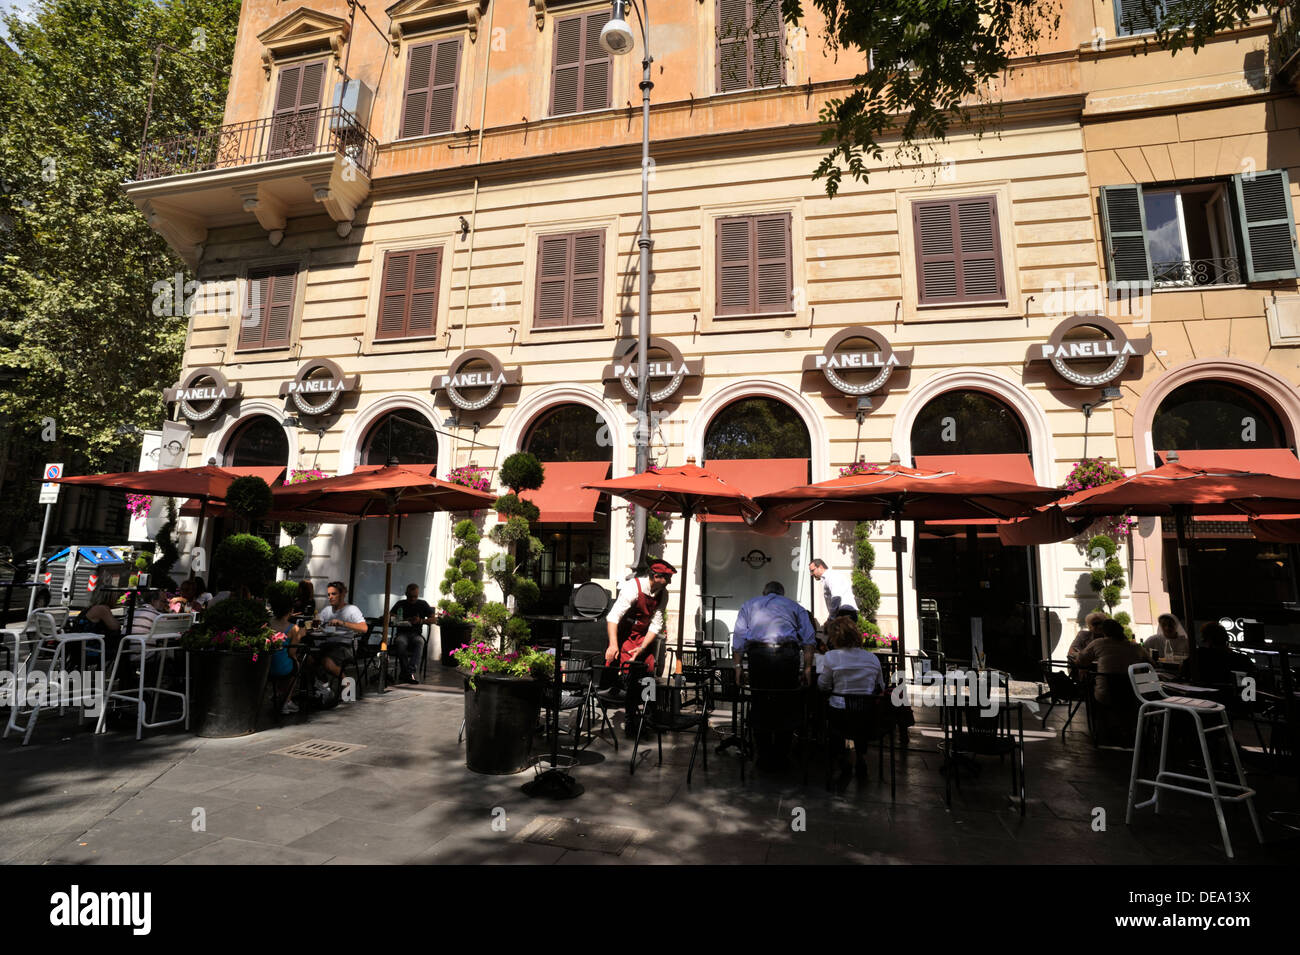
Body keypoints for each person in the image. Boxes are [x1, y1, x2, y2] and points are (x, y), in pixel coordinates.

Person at [732, 580, 816, 770]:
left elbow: (738, 639)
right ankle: (781, 754)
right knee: (786, 703)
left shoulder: (749, 605)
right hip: (787, 656)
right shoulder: (795, 607)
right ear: (782, 593)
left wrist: (738, 667)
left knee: (760, 700)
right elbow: (809, 640)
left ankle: (763, 754)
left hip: (759, 656)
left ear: (764, 592)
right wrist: (808, 668)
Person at [605, 560, 674, 734]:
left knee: (649, 674)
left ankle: (649, 717)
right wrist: (613, 645)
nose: (669, 582)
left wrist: (643, 647)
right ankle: (631, 719)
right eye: (667, 578)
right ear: (656, 576)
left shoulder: (662, 594)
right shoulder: (632, 588)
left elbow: (656, 624)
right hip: (626, 636)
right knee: (631, 677)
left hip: (644, 638)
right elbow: (613, 617)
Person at [818, 616, 885, 779]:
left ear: (834, 637)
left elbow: (822, 686)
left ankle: (840, 756)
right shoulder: (872, 658)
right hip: (867, 716)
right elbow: (881, 687)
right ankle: (861, 756)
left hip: (840, 715)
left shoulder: (831, 657)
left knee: (826, 711)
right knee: (859, 717)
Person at [314, 581, 368, 702]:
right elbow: (317, 624)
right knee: (308, 659)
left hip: (346, 646)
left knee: (326, 662)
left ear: (343, 594)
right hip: (327, 644)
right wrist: (314, 624)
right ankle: (324, 690)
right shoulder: (327, 610)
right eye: (328, 594)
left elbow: (364, 628)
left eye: (334, 594)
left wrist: (342, 623)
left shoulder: (352, 609)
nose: (330, 597)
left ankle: (347, 683)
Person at [1076, 618, 1151, 705]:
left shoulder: (1098, 643)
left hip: (1106, 695)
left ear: (1104, 632)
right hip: (1134, 694)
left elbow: (1080, 661)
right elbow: (1151, 664)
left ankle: (1096, 716)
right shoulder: (1136, 646)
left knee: (1088, 681)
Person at [267, 586, 306, 714]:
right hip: (281, 668)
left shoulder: (268, 623)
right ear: (290, 610)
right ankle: (286, 701)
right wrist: (301, 634)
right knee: (296, 664)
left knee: (282, 660)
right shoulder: (293, 628)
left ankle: (278, 693)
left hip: (266, 665)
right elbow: (292, 652)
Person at [1181, 622, 1255, 687]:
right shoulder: (1242, 659)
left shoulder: (1199, 655)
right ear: (1226, 637)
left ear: (1207, 639)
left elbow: (1184, 670)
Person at [389, 582, 432, 684]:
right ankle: (407, 673)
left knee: (420, 642)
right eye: (410, 596)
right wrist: (403, 619)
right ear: (406, 594)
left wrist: (421, 621)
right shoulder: (400, 604)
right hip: (402, 633)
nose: (412, 599)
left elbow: (434, 619)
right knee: (400, 642)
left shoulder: (423, 604)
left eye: (415, 596)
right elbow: (390, 616)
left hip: (416, 634)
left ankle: (409, 672)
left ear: (418, 594)